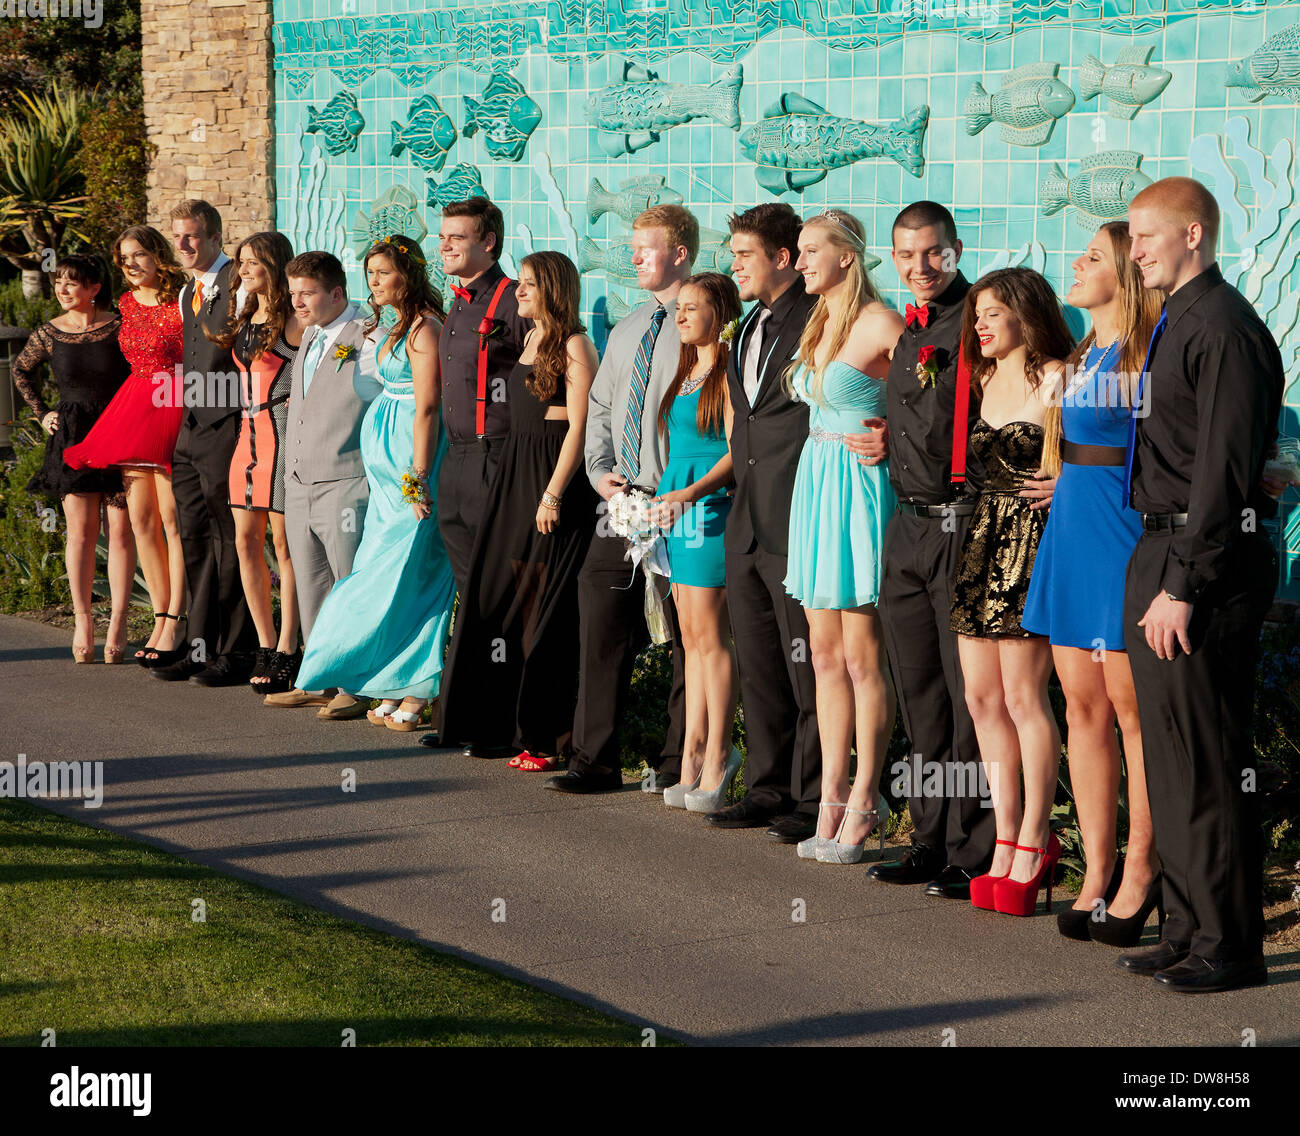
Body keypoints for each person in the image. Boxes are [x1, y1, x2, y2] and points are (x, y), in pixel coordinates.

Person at [1117, 177, 1281, 993]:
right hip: (1162, 549)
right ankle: (1185, 928)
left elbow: (1221, 472)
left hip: (1201, 562)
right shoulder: (1178, 318)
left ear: (1192, 234)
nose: (1134, 251)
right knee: (1171, 756)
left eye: (1146, 235)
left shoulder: (1223, 326)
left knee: (1209, 758)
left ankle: (1230, 946)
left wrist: (1182, 582)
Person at [1021, 223, 1163, 942]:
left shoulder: (1150, 349)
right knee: (1082, 708)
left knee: (1132, 712)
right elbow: (1079, 445)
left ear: (1127, 274)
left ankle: (1143, 868)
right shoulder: (1084, 353)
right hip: (1073, 533)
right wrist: (1064, 479)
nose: (1076, 265)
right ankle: (1096, 872)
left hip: (1123, 541)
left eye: (1093, 257)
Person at [865, 202, 998, 898]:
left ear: (955, 249)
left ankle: (974, 849)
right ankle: (930, 838)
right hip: (906, 526)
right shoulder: (909, 328)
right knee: (919, 694)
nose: (920, 267)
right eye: (906, 255)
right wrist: (889, 436)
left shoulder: (982, 321)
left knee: (966, 695)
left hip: (961, 523)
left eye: (933, 253)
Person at [543, 203, 695, 795]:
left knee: (688, 636)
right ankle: (595, 759)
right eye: (632, 248)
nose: (633, 258)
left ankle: (678, 761)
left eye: (644, 248)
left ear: (679, 253)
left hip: (677, 504)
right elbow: (602, 407)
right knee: (601, 619)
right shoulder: (631, 327)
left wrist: (673, 485)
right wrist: (600, 471)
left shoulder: (701, 323)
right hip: (621, 505)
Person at [439, 251, 599, 768]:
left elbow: (580, 427)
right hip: (514, 473)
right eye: (520, 282)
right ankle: (496, 723)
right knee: (500, 594)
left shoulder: (576, 345)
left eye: (529, 284)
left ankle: (546, 737)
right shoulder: (530, 339)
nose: (520, 291)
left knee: (542, 607)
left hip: (551, 479)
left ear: (552, 289)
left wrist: (553, 494)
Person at [294, 235, 457, 730]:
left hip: (411, 461)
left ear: (408, 274)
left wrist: (419, 477)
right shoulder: (388, 326)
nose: (375, 282)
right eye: (370, 274)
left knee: (413, 571)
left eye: (384, 273)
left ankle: (417, 685)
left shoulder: (426, 328)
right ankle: (387, 677)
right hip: (382, 470)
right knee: (377, 569)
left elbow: (428, 406)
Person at [949, 267, 1073, 916]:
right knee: (981, 698)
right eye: (977, 314)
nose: (980, 325)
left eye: (993, 313)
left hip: (1033, 544)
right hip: (980, 542)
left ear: (1026, 314)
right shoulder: (982, 378)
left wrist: (1067, 483)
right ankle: (1003, 836)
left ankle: (1035, 838)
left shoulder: (1057, 377)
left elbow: (1098, 458)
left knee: (1025, 698)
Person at [783, 210, 901, 863]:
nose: (800, 262)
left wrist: (895, 439)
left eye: (809, 251)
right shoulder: (818, 319)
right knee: (824, 656)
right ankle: (829, 796)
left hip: (859, 488)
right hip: (817, 483)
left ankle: (866, 797)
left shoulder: (881, 322)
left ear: (846, 257)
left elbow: (937, 398)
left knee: (861, 657)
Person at [708, 203, 825, 841]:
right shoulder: (748, 323)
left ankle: (812, 798)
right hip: (745, 520)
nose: (735, 266)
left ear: (783, 258)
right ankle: (766, 787)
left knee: (807, 665)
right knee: (759, 663)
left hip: (797, 514)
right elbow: (744, 421)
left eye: (744, 255)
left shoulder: (819, 318)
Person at [63, 225, 188, 666]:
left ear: (157, 254)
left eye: (138, 255)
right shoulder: (128, 303)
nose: (130, 264)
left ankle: (178, 618)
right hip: (136, 407)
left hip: (175, 401)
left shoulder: (185, 297)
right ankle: (159, 616)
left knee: (173, 519)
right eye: (123, 258)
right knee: (142, 521)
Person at [263, 251, 380, 710]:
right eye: (293, 293)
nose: (297, 303)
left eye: (307, 293)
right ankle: (319, 678)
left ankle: (356, 685)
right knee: (312, 584)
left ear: (336, 293)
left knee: (349, 584)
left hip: (345, 480)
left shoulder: (368, 337)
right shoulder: (310, 333)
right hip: (299, 482)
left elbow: (390, 401)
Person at [152, 199, 256, 686]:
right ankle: (199, 647)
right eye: (177, 235)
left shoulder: (239, 283)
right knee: (193, 537)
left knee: (230, 538)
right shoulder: (187, 290)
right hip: (190, 427)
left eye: (191, 235)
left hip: (228, 425)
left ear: (215, 237)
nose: (182, 244)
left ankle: (237, 653)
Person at [13, 254, 133, 663]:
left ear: (95, 288)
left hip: (119, 433)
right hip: (73, 437)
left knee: (120, 533)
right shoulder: (49, 332)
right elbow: (21, 371)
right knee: (80, 533)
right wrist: (42, 413)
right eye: (58, 281)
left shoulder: (120, 326)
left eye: (72, 282)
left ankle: (118, 623)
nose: (62, 289)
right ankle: (83, 622)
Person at [652, 271, 743, 811]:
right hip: (677, 509)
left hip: (709, 507)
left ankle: (719, 755)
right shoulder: (687, 369)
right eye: (678, 307)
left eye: (692, 307)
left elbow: (735, 451)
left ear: (719, 313)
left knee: (712, 638)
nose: (680, 315)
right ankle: (690, 754)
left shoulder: (728, 372)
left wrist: (692, 492)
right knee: (688, 639)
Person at [210, 231, 303, 694]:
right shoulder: (246, 314)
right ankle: (265, 643)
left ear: (274, 265)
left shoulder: (294, 321)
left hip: (282, 437)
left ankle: (289, 646)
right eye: (240, 262)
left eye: (252, 262)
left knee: (285, 547)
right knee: (245, 542)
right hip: (245, 437)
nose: (243, 270)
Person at [434, 196, 529, 593]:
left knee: (500, 583)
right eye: (442, 237)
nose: (445, 246)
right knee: (469, 586)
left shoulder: (515, 300)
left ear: (488, 242)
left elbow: (545, 381)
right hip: (454, 459)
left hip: (495, 457)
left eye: (456, 238)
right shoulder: (458, 301)